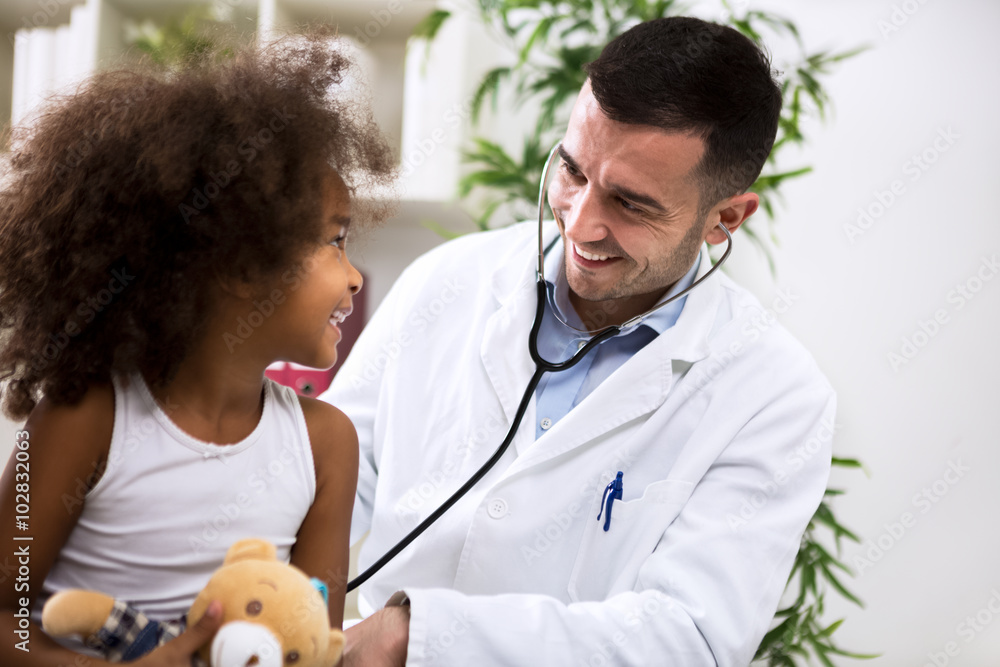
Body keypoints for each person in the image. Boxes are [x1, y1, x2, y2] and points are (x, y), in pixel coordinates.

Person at [323, 16, 836, 667]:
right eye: (571, 169)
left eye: (632, 204)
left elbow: (686, 639)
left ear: (724, 218)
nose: (581, 221)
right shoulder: (448, 282)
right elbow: (312, 482)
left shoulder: (775, 396)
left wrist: (418, 637)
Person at [0, 31, 394, 666]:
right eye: (334, 241)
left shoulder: (327, 444)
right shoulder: (89, 415)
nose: (354, 277)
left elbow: (309, 645)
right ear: (241, 263)